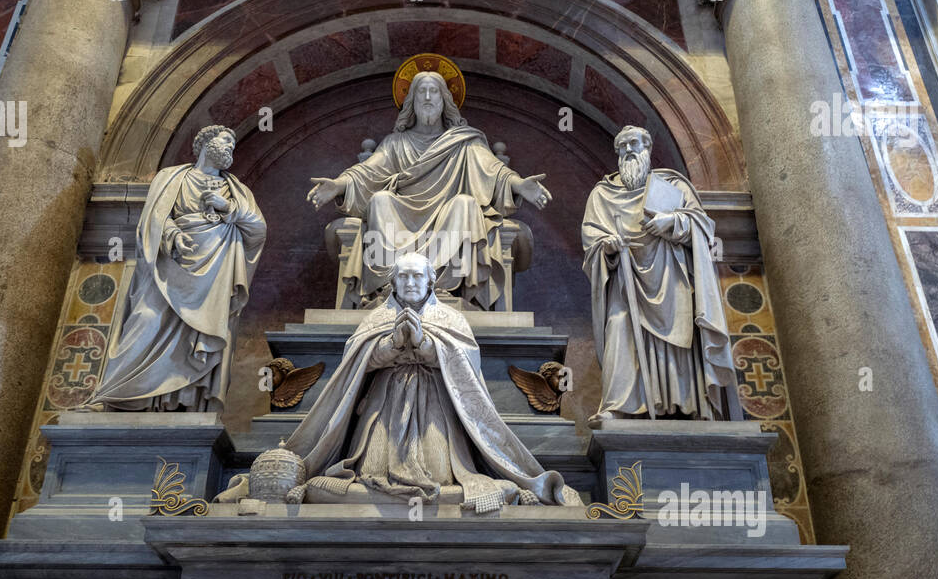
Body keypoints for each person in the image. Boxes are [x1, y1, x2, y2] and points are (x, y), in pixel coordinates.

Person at [221, 252, 579, 511]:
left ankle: (477, 489)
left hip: (437, 409)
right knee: (374, 469)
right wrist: (390, 345)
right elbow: (356, 363)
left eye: (416, 276)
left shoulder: (450, 319)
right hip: (384, 406)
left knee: (439, 474)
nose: (410, 282)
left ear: (430, 281)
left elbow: (467, 365)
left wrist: (426, 346)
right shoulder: (377, 318)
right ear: (393, 282)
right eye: (403, 276)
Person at [307, 70, 549, 310]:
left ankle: (442, 285)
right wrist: (338, 186)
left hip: (448, 216)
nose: (427, 97)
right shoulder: (396, 142)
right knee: (380, 200)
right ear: (412, 100)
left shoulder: (463, 142)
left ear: (444, 100)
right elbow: (367, 173)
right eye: (421, 91)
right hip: (402, 215)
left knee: (465, 203)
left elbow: (494, 170)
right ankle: (393, 284)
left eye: (434, 91)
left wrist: (520, 185)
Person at [89, 125, 265, 412]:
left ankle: (184, 402)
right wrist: (172, 236)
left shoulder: (237, 191)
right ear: (206, 143)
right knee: (146, 320)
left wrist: (228, 209)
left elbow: (258, 230)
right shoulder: (170, 178)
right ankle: (120, 395)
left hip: (213, 279)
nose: (231, 151)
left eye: (233, 147)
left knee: (200, 338)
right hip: (167, 268)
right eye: (226, 143)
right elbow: (152, 219)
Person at [582, 125, 734, 423]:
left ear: (647, 147)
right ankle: (620, 405)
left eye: (634, 143)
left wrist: (672, 222)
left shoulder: (673, 186)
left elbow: (703, 228)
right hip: (625, 282)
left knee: (678, 336)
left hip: (671, 275)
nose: (628, 150)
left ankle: (687, 405)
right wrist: (608, 247)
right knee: (619, 330)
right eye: (622, 146)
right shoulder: (602, 195)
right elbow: (591, 239)